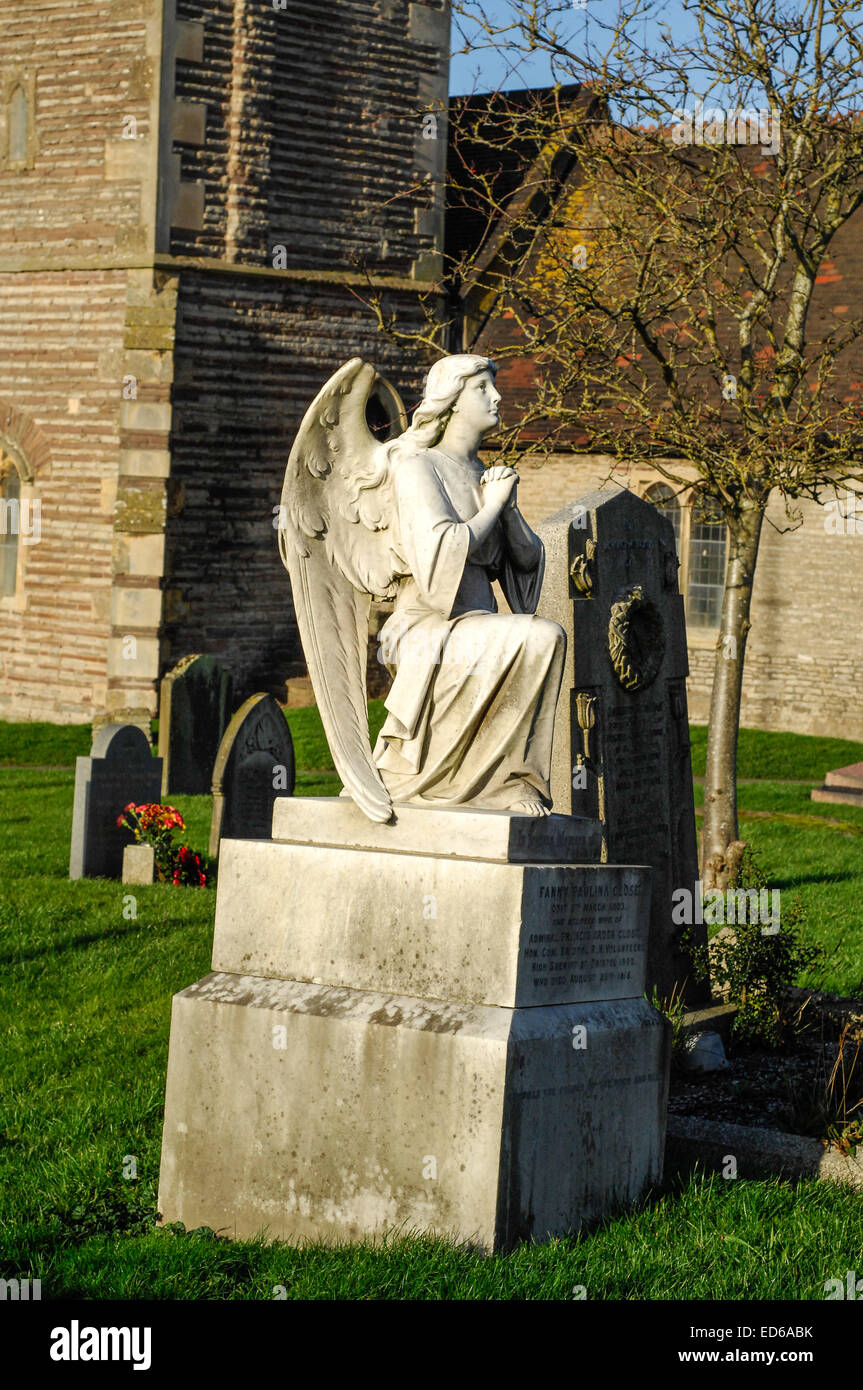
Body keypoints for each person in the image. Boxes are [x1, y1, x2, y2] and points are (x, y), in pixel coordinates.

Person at [371, 354, 566, 816]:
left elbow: (526, 569)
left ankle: (508, 780)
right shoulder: (418, 467)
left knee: (540, 638)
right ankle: (504, 781)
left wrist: (510, 507)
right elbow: (442, 552)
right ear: (452, 401)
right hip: (426, 627)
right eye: (482, 388)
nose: (497, 397)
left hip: (476, 621)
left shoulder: (483, 473)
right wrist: (492, 505)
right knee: (542, 636)